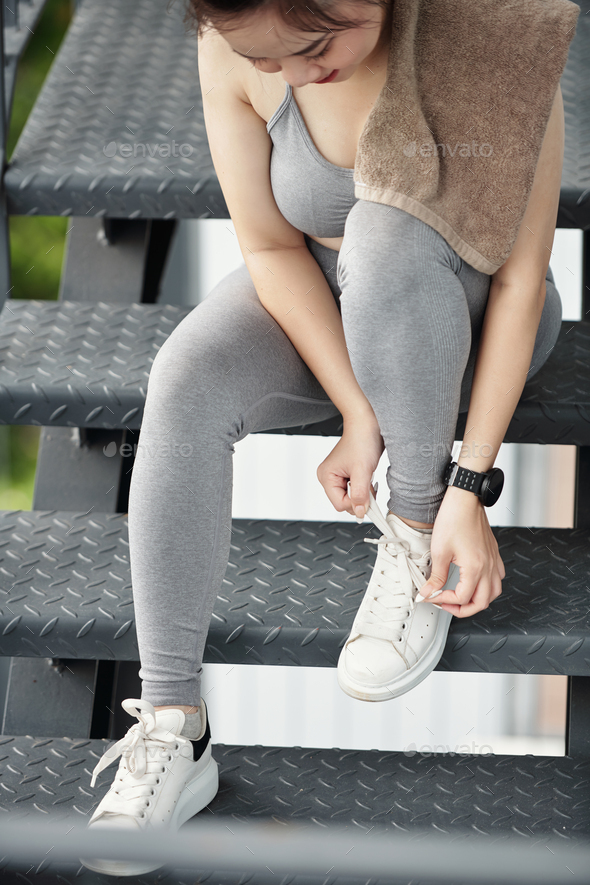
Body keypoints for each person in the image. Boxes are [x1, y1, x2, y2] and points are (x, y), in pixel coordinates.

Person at [80, 0, 564, 874]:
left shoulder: (492, 29)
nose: (295, 75)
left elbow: (526, 278)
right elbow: (269, 250)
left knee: (384, 230)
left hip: (470, 311)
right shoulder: (234, 46)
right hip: (336, 306)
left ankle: (414, 533)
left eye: (313, 46)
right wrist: (357, 406)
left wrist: (469, 487)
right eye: (269, 61)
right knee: (183, 377)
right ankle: (171, 728)